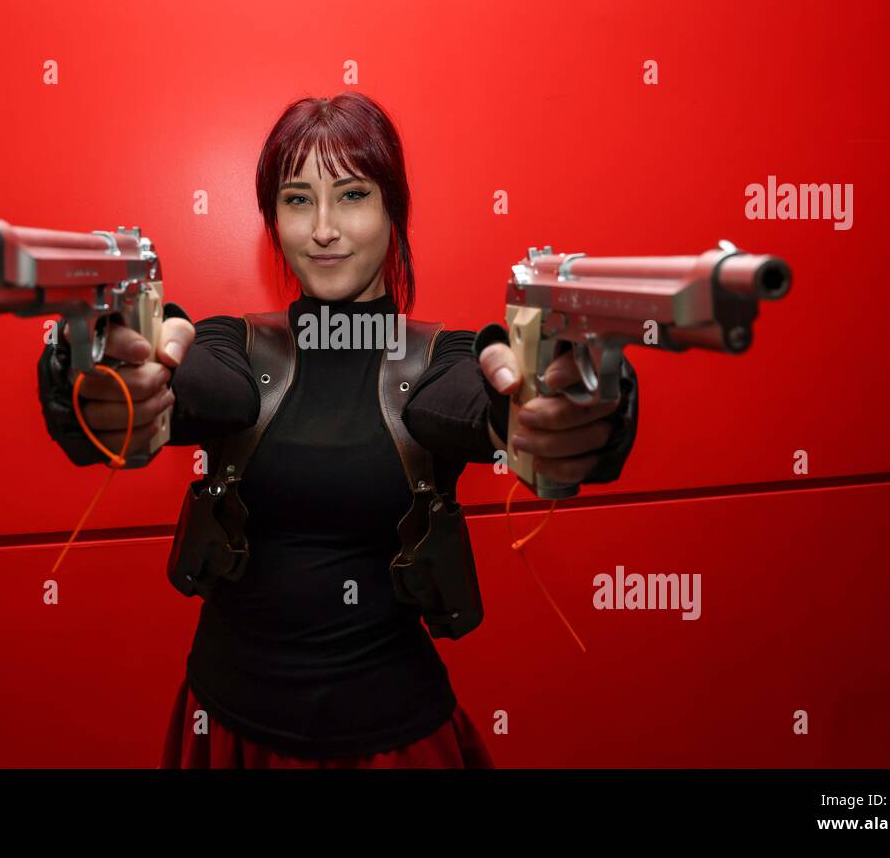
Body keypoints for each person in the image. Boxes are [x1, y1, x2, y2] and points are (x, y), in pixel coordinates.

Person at [37, 91, 639, 768]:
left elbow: (481, 401)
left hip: (396, 738)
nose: (323, 227)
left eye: (351, 196)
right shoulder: (231, 345)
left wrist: (561, 399)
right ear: (273, 219)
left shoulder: (443, 359)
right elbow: (197, 387)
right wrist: (109, 368)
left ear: (392, 212)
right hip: (229, 732)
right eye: (297, 200)